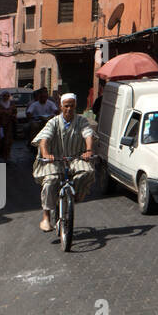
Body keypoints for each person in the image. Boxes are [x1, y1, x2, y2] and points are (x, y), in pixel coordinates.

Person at [34, 93, 95, 232]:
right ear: (61, 106)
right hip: (55, 158)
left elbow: (88, 135)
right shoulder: (53, 122)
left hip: (76, 158)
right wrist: (45, 154)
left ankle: (75, 195)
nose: (69, 109)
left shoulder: (82, 121)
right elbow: (44, 140)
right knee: (50, 181)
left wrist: (89, 150)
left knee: (87, 171)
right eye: (66, 106)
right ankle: (46, 217)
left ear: (75, 106)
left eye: (72, 106)